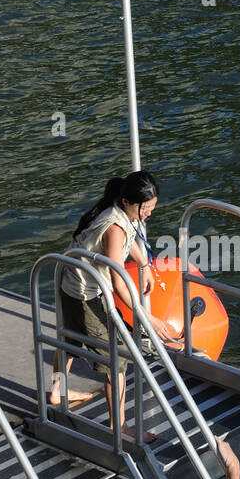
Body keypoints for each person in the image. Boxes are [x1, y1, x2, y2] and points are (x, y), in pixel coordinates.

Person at [50, 171, 175, 440]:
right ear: (129, 201)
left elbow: (129, 243)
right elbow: (119, 281)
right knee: (117, 359)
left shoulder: (119, 210)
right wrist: (147, 318)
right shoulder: (114, 227)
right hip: (85, 292)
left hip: (71, 281)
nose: (149, 213)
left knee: (69, 339)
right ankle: (119, 428)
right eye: (146, 208)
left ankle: (56, 390)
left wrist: (144, 264)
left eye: (153, 207)